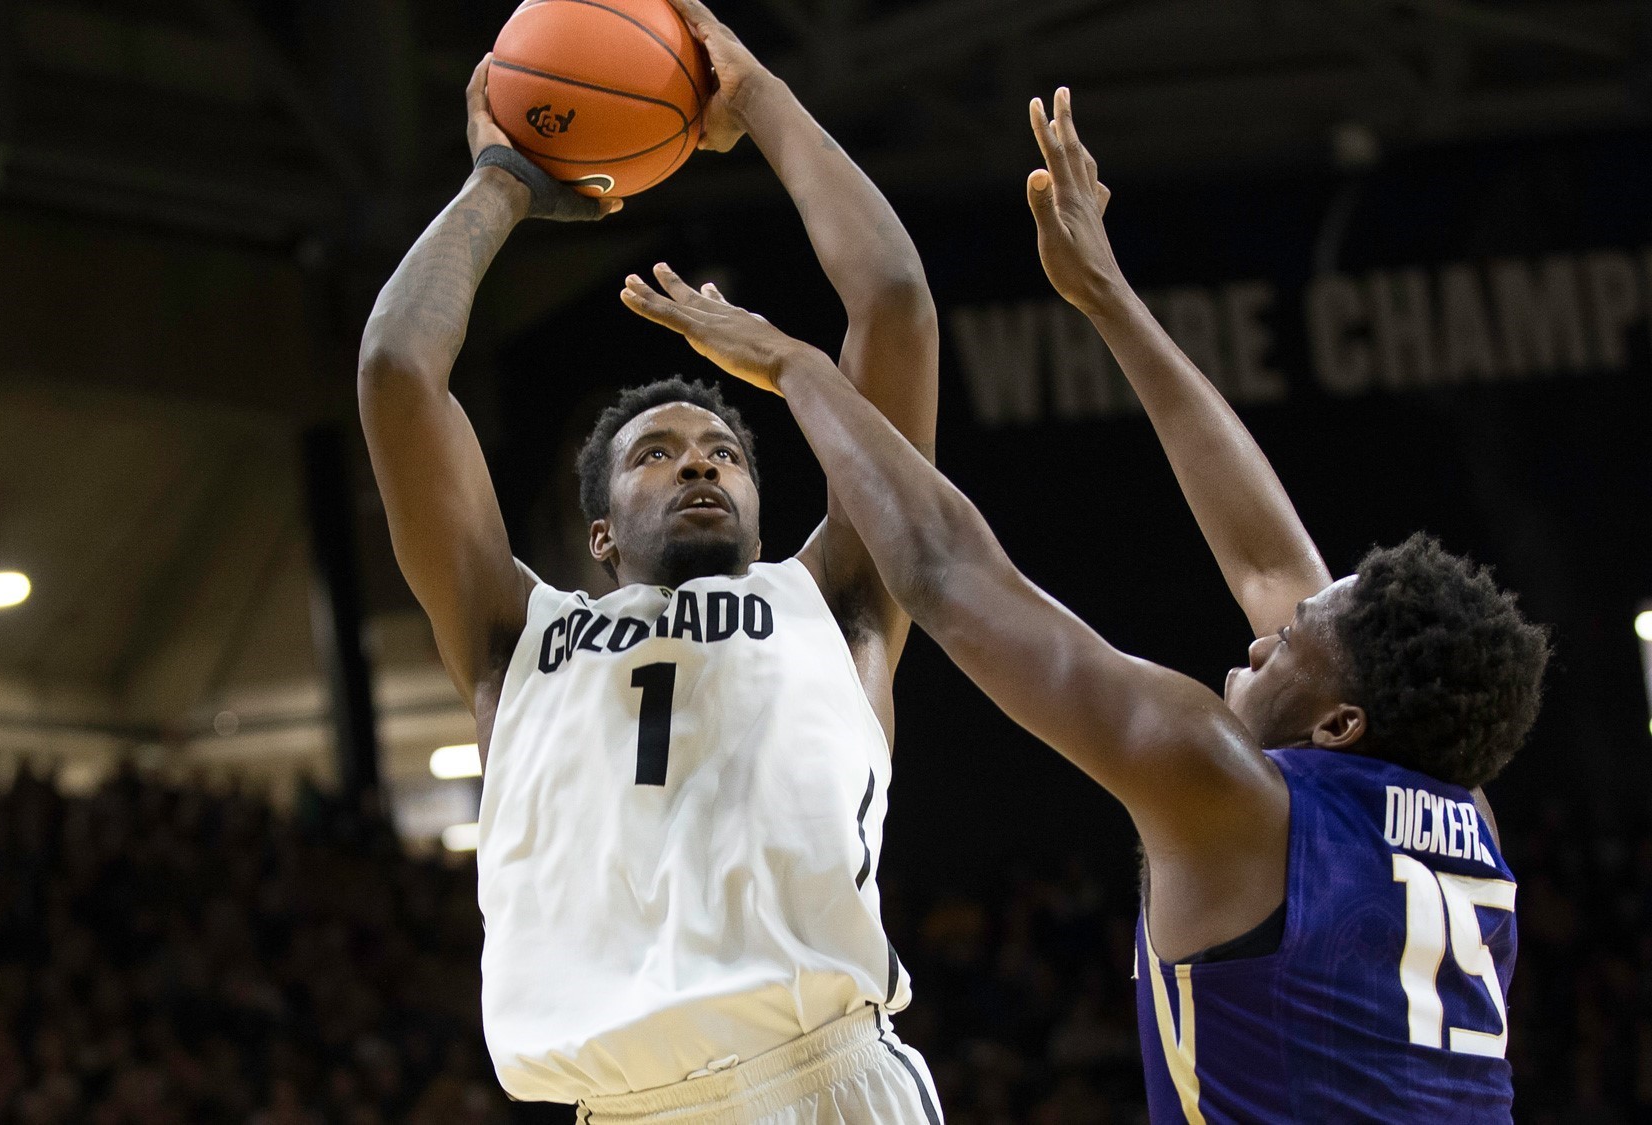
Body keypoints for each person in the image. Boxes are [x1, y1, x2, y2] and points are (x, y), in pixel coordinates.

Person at [619, 88, 1551, 1124]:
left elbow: (941, 569)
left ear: (1339, 723)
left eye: (1289, 641)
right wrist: (1105, 294)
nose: (1260, 634)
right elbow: (1259, 555)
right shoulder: (1458, 814)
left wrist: (793, 367)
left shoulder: (1225, 792)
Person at [356, 0, 946, 1118]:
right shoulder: (510, 638)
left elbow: (893, 302)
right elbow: (395, 373)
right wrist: (499, 179)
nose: (700, 466)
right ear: (597, 535)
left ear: (764, 514)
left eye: (725, 451)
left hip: (820, 1080)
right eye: (658, 455)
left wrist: (759, 99)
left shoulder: (836, 601)